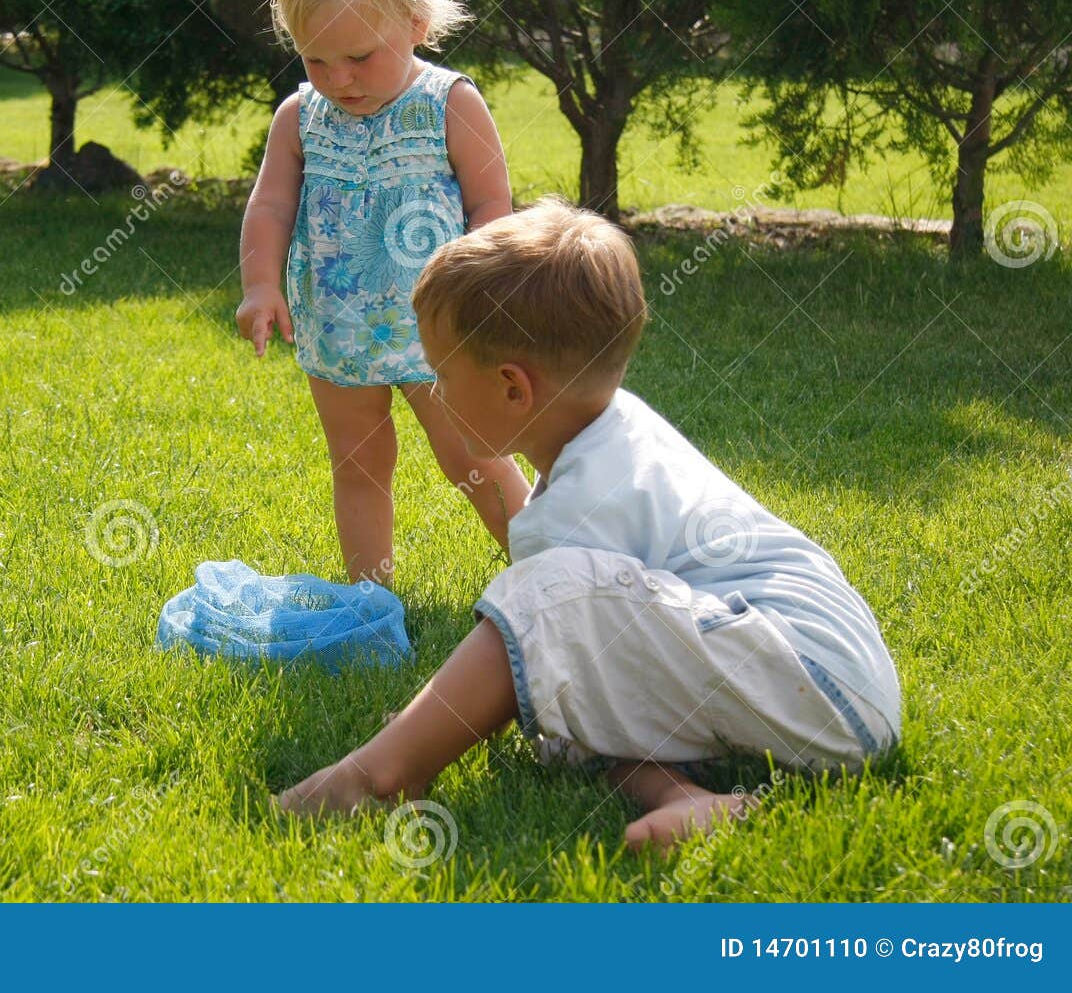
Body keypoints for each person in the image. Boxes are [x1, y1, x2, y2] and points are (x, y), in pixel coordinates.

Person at [277, 199, 903, 850]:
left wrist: (446, 719)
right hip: (833, 685)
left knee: (544, 604)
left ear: (513, 389)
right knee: (574, 699)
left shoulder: (576, 515)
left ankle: (378, 777)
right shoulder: (615, 429)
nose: (433, 392)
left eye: (441, 375)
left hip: (804, 670)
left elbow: (542, 644)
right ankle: (691, 799)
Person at [234, 0, 531, 587]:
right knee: (360, 464)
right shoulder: (299, 118)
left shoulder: (448, 104)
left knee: (472, 457)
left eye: (359, 57)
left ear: (417, 21)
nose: (338, 80)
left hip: (443, 332)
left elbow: (492, 203)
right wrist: (260, 284)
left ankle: (545, 572)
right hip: (337, 329)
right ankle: (372, 599)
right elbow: (271, 206)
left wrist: (482, 295)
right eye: (315, 61)